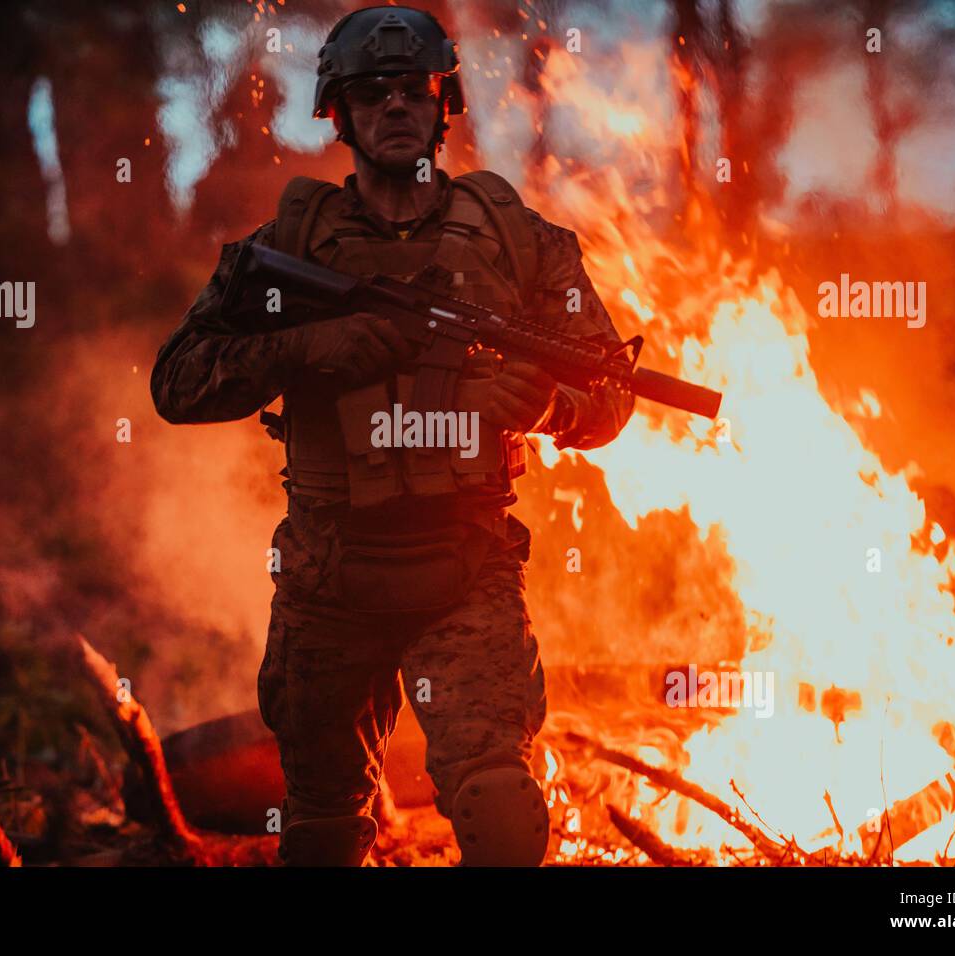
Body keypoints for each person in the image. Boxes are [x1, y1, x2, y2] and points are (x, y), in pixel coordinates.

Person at [151, 5, 633, 866]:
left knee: (501, 811)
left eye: (415, 90)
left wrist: (554, 410)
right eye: (373, 94)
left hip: (467, 566)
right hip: (329, 576)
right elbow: (177, 383)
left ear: (443, 105)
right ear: (338, 113)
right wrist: (310, 346)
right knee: (325, 831)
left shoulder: (520, 244)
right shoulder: (287, 249)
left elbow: (611, 391)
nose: (397, 107)